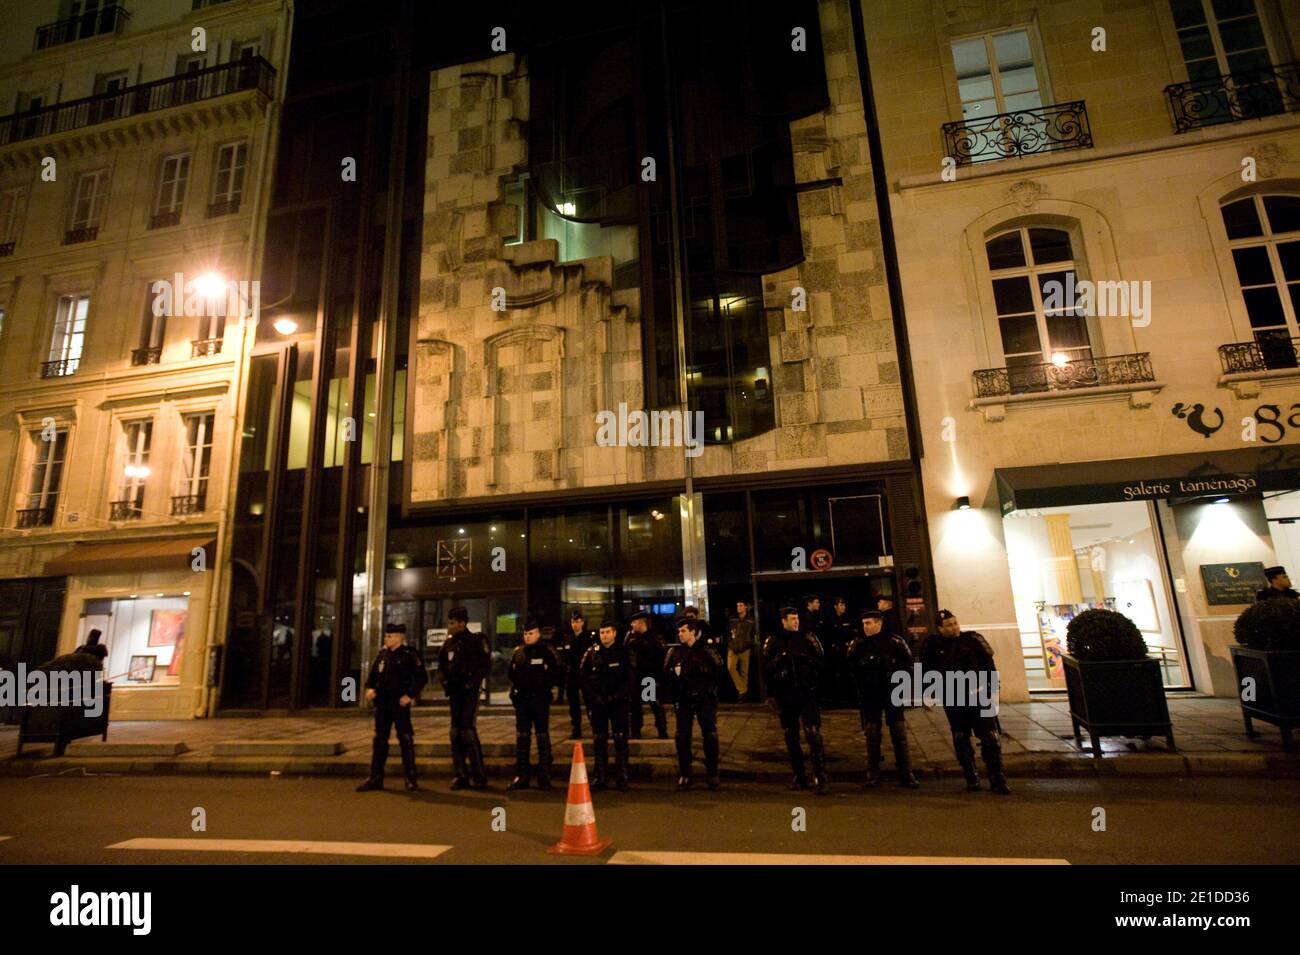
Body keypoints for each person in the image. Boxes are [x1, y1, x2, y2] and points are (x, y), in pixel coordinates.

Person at [920, 610, 1009, 795]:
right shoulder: (932, 645)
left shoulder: (972, 640)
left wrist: (994, 688)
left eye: (955, 623)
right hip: (953, 696)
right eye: (949, 625)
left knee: (990, 737)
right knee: (960, 737)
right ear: (940, 628)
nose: (954, 627)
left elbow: (988, 664)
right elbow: (927, 671)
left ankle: (997, 777)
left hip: (978, 694)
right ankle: (971, 775)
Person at [847, 609, 918, 788]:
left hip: (892, 691)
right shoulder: (858, 644)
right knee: (872, 733)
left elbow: (909, 665)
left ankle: (906, 771)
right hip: (871, 692)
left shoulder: (895, 642)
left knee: (898, 731)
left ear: (879, 623)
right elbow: (849, 667)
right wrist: (864, 667)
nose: (866, 627)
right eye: (864, 624)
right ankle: (873, 772)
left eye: (869, 623)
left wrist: (892, 666)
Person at [763, 605, 829, 794]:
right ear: (783, 621)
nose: (796, 622)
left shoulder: (808, 638)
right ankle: (799, 775)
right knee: (791, 735)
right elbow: (766, 669)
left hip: (807, 691)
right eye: (792, 619)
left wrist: (806, 659)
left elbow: (822, 663)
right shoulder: (774, 641)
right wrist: (780, 661)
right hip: (787, 694)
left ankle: (821, 775)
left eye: (797, 618)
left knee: (813, 733)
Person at [357, 623, 428, 792]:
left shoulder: (409, 655)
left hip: (399, 703)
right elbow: (373, 675)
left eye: (389, 636)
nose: (386, 639)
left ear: (399, 637)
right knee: (380, 740)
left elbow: (420, 677)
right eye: (386, 636)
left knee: (405, 739)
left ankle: (411, 778)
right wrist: (370, 688)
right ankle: (375, 777)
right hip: (382, 703)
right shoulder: (382, 655)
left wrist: (410, 695)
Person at [663, 616, 723, 791]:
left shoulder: (706, 651)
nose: (680, 634)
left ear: (693, 633)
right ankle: (685, 773)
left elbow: (720, 673)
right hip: (683, 699)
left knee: (710, 735)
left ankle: (712, 773)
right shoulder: (674, 653)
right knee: (682, 737)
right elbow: (665, 675)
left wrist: (704, 672)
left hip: (704, 698)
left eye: (684, 631)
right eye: (679, 631)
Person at [437, 606, 491, 790]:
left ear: (462, 623)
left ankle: (479, 776)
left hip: (469, 693)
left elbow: (484, 665)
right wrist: (444, 682)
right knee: (455, 732)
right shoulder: (449, 643)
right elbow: (441, 666)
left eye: (452, 623)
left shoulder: (476, 641)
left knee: (467, 731)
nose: (449, 626)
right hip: (454, 693)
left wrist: (472, 683)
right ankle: (460, 775)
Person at [507, 618, 563, 791]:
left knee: (542, 737)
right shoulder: (519, 652)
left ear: (538, 634)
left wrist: (546, 684)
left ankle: (544, 775)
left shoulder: (547, 651)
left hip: (539, 700)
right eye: (525, 633)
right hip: (523, 701)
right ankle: (522, 775)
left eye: (530, 633)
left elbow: (558, 671)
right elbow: (511, 673)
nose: (527, 636)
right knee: (522, 737)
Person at [581, 620, 635, 790]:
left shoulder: (623, 652)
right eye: (602, 632)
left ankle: (622, 775)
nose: (604, 635)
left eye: (607, 632)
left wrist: (617, 696)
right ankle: (600, 775)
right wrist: (593, 698)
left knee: (620, 739)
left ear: (614, 633)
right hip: (598, 704)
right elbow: (583, 678)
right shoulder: (591, 653)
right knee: (599, 739)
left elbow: (630, 679)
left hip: (618, 703)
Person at [624, 610, 669, 740]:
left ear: (641, 623)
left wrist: (643, 647)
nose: (632, 625)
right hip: (636, 676)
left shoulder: (653, 636)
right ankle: (636, 730)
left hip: (649, 676)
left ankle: (662, 729)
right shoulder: (632, 637)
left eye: (634, 622)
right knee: (635, 705)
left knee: (654, 703)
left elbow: (660, 656)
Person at [819, 596, 856, 707]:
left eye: (844, 605)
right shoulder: (829, 619)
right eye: (841, 605)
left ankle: (848, 697)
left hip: (846, 651)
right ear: (835, 607)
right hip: (833, 652)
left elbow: (852, 633)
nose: (843, 607)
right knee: (834, 674)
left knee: (847, 674)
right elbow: (826, 635)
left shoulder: (849, 619)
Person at [726, 599, 756, 701]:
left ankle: (743, 694)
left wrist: (750, 644)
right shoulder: (732, 619)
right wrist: (730, 643)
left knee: (744, 672)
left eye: (741, 605)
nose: (739, 607)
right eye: (738, 605)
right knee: (731, 667)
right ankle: (743, 690)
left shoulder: (751, 620)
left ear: (746, 607)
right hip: (733, 647)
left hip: (745, 647)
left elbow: (753, 634)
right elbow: (728, 633)